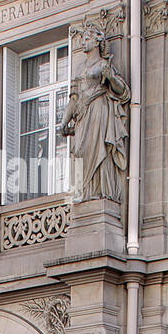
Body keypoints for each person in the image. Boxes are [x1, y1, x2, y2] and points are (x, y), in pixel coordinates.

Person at [59, 22, 130, 202]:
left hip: (98, 109)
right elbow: (73, 98)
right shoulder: (79, 69)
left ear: (98, 41)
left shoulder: (104, 64)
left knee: (98, 148)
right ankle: (84, 192)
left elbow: (122, 91)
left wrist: (111, 77)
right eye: (83, 38)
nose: (84, 41)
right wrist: (64, 121)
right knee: (80, 150)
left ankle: (99, 192)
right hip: (82, 114)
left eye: (88, 38)